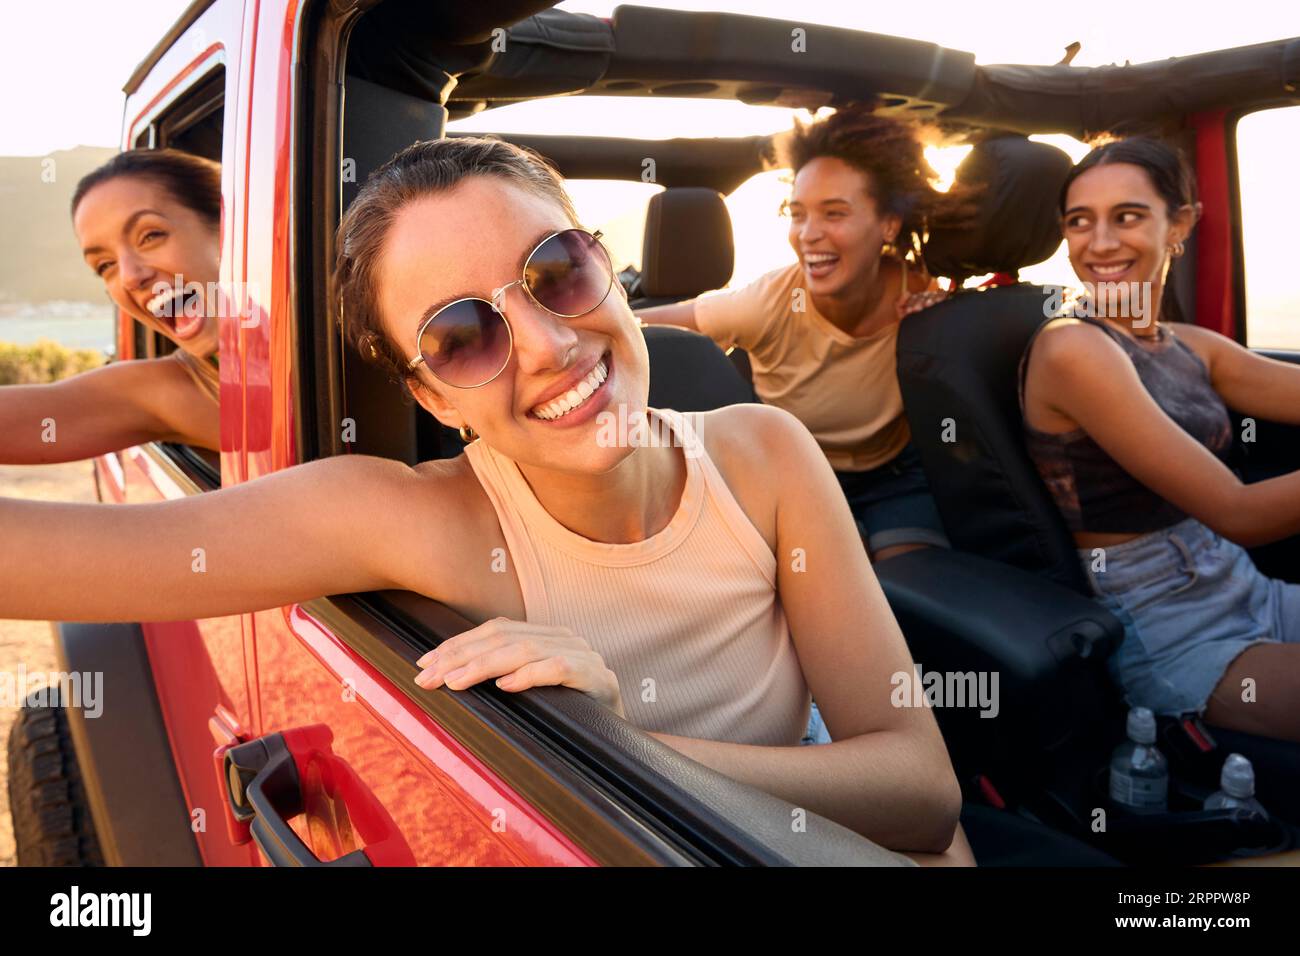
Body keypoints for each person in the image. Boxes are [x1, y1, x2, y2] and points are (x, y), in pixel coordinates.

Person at [0, 136, 971, 864]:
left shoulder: (762, 451)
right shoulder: (427, 519)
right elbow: (56, 554)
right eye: (462, 336)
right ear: (427, 396)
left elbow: (922, 790)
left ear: (609, 266)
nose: (548, 344)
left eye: (557, 273)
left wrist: (629, 747)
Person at [1020, 136, 1300, 742]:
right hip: (1168, 626)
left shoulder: (1186, 344)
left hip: (1243, 585)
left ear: (1181, 224)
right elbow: (1239, 513)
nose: (1099, 243)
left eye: (1127, 216)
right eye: (1079, 222)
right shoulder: (1071, 348)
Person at [638, 107, 972, 561]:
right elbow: (646, 328)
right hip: (795, 476)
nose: (808, 235)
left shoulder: (924, 297)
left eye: (834, 213)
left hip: (895, 477)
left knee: (915, 589)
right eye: (797, 215)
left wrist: (939, 326)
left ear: (888, 225)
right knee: (833, 575)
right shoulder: (769, 301)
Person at [0, 149, 223, 466]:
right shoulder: (180, 391)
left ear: (230, 227)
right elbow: (40, 414)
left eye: (150, 236)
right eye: (105, 265)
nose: (131, 277)